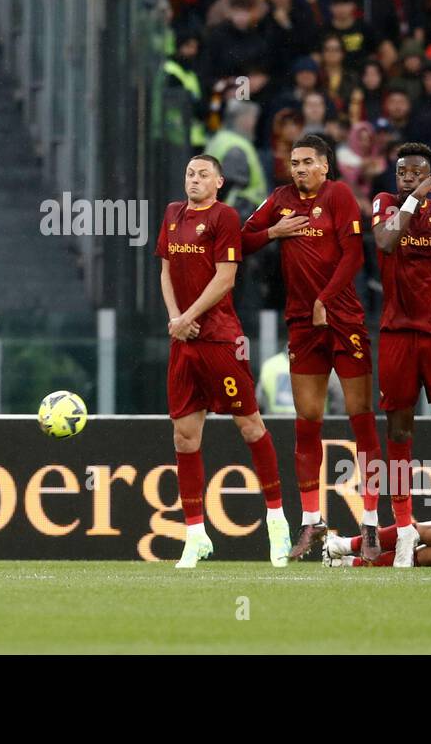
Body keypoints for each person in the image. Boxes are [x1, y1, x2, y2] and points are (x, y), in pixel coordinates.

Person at [241, 134, 384, 562]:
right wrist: (273, 231)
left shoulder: (338, 195)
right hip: (303, 325)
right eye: (294, 161)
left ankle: (372, 524)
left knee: (362, 419)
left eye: (307, 162)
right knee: (307, 421)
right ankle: (312, 522)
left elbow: (354, 255)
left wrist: (325, 298)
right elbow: (243, 240)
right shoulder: (280, 198)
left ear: (325, 166)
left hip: (344, 320)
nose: (299, 168)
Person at [155, 156, 291, 569]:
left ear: (218, 181)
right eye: (189, 173)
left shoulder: (224, 216)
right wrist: (177, 320)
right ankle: (195, 534)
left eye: (202, 175)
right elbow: (164, 271)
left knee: (249, 425)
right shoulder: (172, 214)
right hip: (185, 338)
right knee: (184, 438)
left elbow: (225, 278)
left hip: (220, 339)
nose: (193, 179)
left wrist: (189, 317)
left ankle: (276, 522)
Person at [370, 143, 431, 567]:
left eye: (415, 173)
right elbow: (387, 241)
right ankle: (405, 529)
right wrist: (412, 199)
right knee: (397, 429)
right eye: (402, 172)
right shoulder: (385, 203)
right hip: (396, 330)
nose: (406, 178)